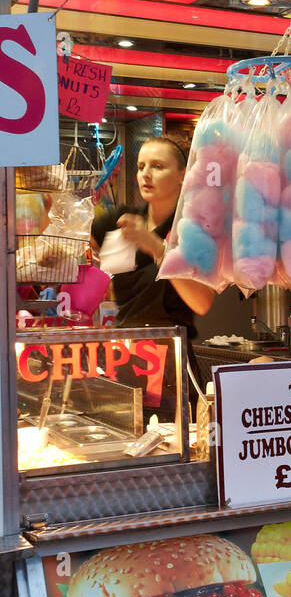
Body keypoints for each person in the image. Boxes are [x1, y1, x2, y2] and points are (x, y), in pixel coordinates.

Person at [91, 137, 214, 402]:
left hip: (169, 363)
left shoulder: (193, 230)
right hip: (122, 358)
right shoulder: (124, 222)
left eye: (157, 166)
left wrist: (158, 249)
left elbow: (202, 302)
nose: (145, 174)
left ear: (183, 175)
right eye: (140, 166)